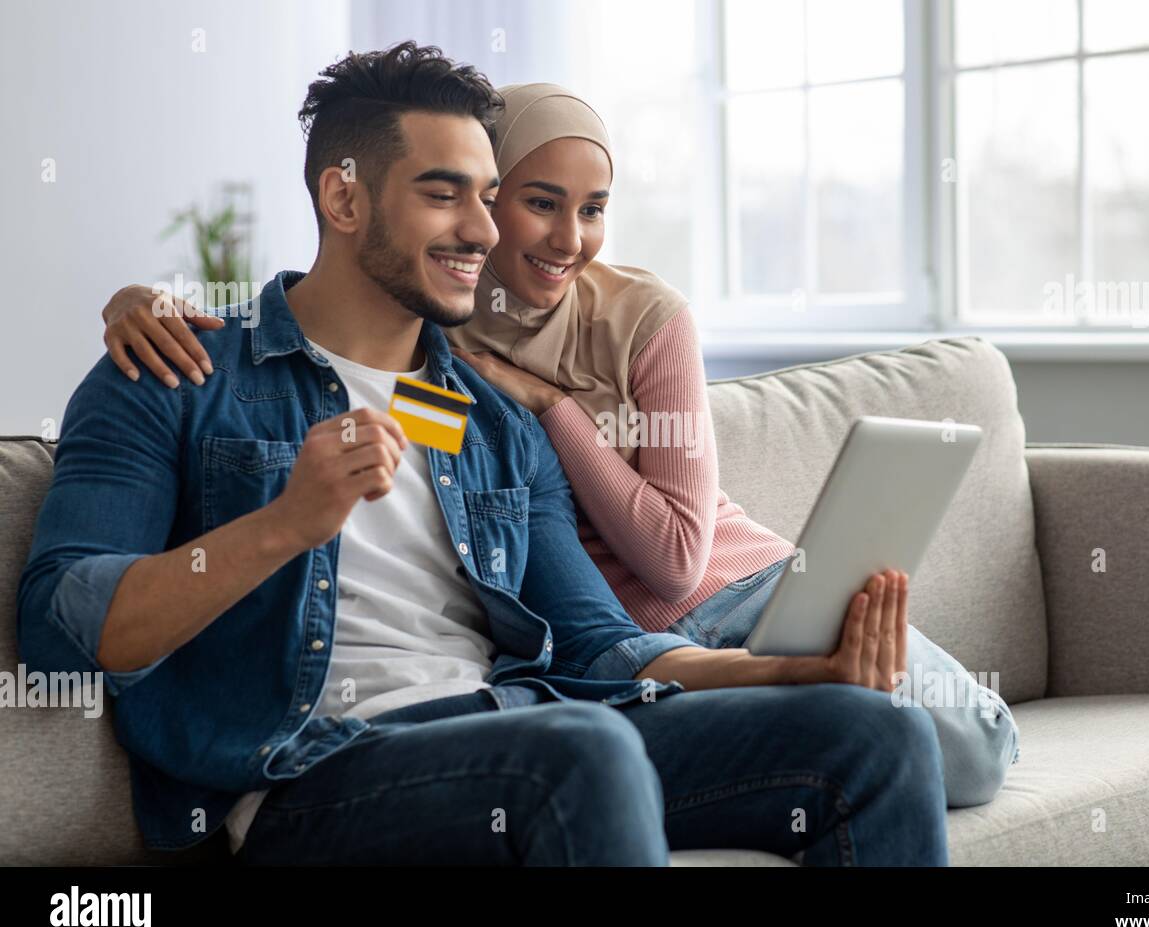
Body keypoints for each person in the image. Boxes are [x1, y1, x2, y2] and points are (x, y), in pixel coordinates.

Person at [22, 42, 950, 866]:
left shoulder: (486, 420)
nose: (485, 230)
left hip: (518, 732)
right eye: (444, 193)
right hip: (314, 777)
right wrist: (281, 527)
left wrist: (799, 672)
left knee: (874, 736)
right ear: (344, 196)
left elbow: (599, 646)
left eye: (490, 196)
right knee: (582, 751)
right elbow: (62, 630)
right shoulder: (174, 372)